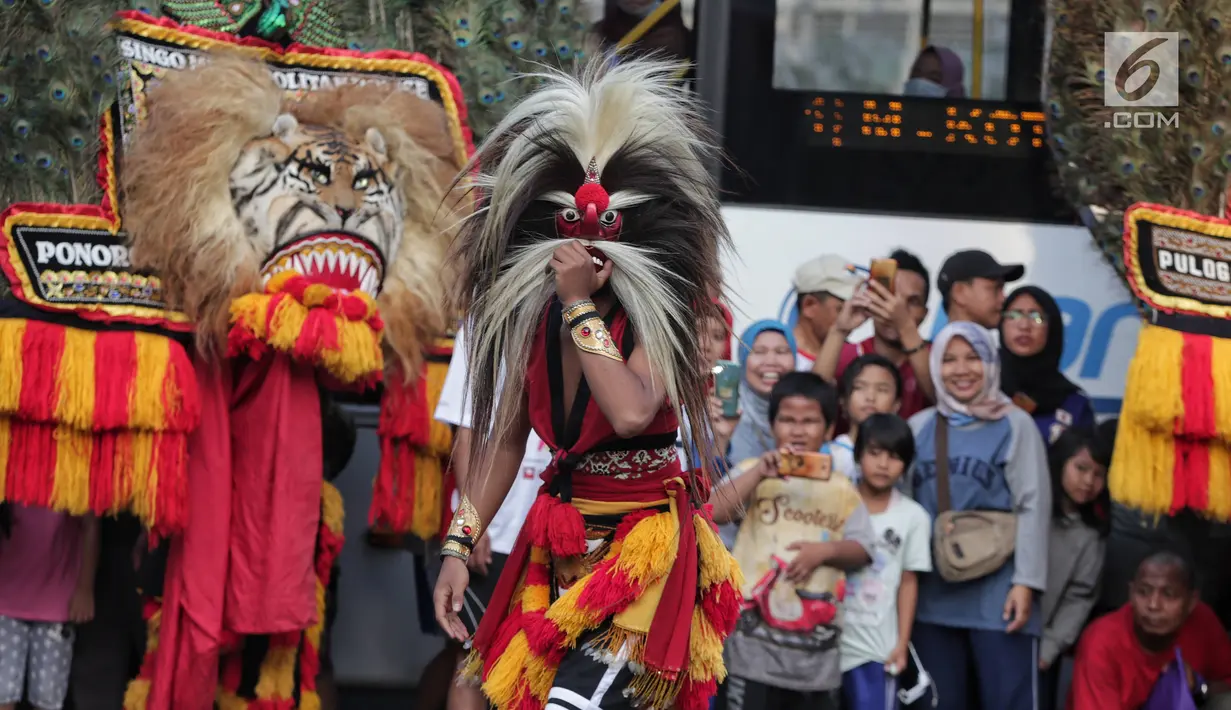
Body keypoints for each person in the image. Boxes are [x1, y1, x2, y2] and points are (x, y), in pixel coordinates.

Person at [433, 58, 740, 710]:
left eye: (603, 230)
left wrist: (578, 305)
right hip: (558, 546)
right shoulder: (528, 321)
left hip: (642, 550)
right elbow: (504, 443)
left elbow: (630, 412)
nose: (587, 243)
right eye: (571, 228)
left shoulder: (666, 316)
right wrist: (460, 543)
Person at [906, 321, 1051, 710]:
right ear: (936, 367)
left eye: (973, 357)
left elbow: (1034, 505)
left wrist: (1026, 583)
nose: (962, 369)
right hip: (932, 600)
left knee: (1009, 701)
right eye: (950, 359)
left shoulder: (1014, 424)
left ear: (990, 361)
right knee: (938, 703)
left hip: (1000, 596)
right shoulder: (917, 428)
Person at [709, 372, 874, 710]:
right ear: (772, 425)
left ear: (828, 429)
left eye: (810, 421)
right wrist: (758, 474)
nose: (798, 430)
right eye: (787, 420)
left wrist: (825, 552)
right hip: (749, 653)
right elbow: (714, 510)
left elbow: (863, 549)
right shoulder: (755, 471)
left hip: (815, 660)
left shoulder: (842, 487)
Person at [432, 326, 549, 710]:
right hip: (497, 531)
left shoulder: (592, 304)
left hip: (567, 532)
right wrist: (465, 535)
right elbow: (479, 432)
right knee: (471, 657)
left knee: (544, 665)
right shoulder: (489, 316)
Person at [841, 413, 932, 710]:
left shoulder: (913, 516)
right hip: (826, 645)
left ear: (906, 464)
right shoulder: (836, 503)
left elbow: (909, 582)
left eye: (894, 456)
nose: (883, 464)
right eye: (874, 452)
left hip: (877, 650)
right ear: (858, 455)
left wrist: (901, 644)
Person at [1070, 551, 1231, 709]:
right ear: (1131, 594)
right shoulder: (1101, 641)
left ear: (1191, 602)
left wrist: (1198, 686)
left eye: (1168, 595)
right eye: (1143, 592)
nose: (1153, 605)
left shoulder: (1202, 621)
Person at [815, 249, 935, 422]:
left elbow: (942, 398)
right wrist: (839, 331)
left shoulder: (939, 357)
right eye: (888, 297)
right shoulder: (849, 354)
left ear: (925, 314)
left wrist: (905, 327)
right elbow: (810, 403)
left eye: (912, 302)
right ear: (872, 299)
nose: (895, 308)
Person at [1039, 427, 1111, 710]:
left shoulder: (1090, 536)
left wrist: (1049, 650)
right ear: (1060, 463)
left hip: (1042, 648)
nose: (1088, 481)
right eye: (1081, 468)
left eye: (1098, 474)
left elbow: (1079, 598)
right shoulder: (1030, 510)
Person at [0, 506, 99, 710]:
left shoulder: (69, 477)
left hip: (55, 604)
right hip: (6, 599)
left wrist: (85, 588)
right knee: (2, 692)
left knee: (48, 697)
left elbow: (91, 525)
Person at [1000, 286, 1096, 444]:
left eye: (1037, 317)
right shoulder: (982, 387)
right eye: (1014, 315)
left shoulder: (1074, 403)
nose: (1024, 325)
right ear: (1001, 325)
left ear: (1052, 329)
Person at [728, 320, 799, 465]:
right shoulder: (722, 412)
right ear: (743, 359)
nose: (771, 361)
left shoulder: (807, 411)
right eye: (759, 352)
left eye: (781, 352)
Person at [831, 354, 903, 478]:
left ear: (896, 405)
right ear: (843, 401)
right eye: (859, 387)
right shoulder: (830, 456)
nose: (870, 397)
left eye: (882, 390)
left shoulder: (898, 461)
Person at [792, 254, 861, 370]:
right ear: (809, 305)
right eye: (841, 309)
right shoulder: (775, 362)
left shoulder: (857, 358)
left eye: (854, 309)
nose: (849, 318)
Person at [936, 249, 1024, 330]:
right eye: (994, 289)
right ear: (960, 293)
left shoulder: (970, 342)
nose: (1003, 298)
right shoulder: (959, 343)